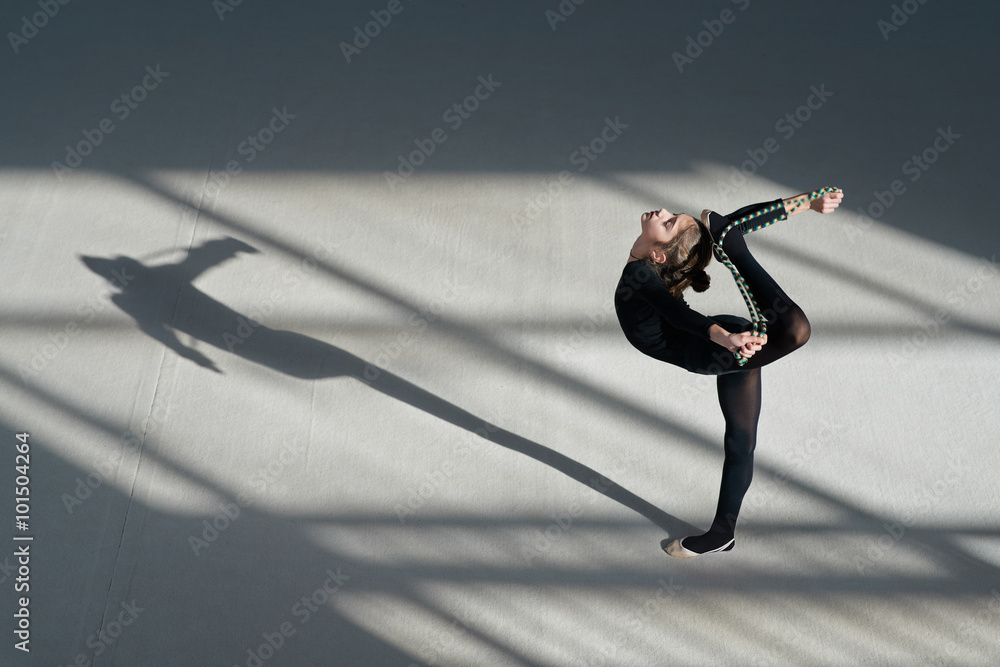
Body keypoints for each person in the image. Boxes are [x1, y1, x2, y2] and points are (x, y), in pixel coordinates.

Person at [614, 188, 844, 557]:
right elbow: (678, 313)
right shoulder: (644, 272)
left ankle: (722, 531)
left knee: (795, 334)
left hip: (717, 345)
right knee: (742, 437)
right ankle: (723, 532)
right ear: (659, 255)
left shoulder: (643, 267)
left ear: (658, 254)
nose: (662, 209)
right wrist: (725, 338)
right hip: (719, 341)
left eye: (669, 219)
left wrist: (807, 202)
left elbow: (681, 314)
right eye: (670, 218)